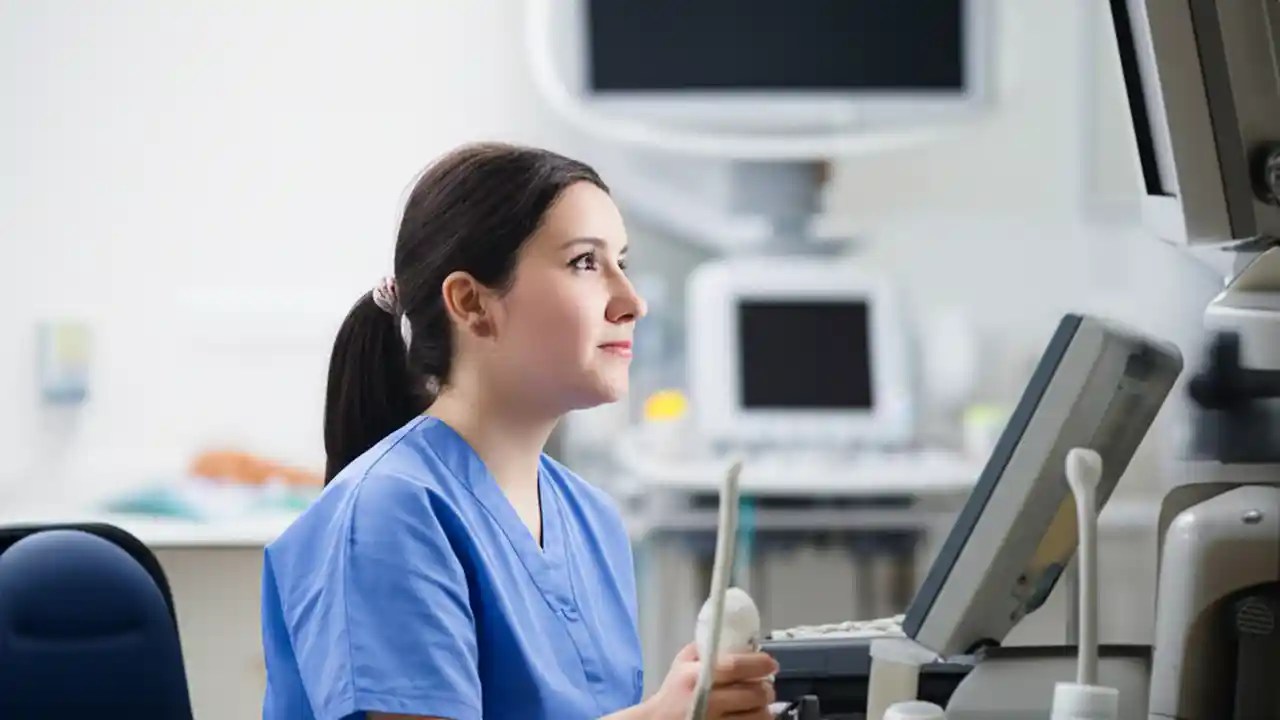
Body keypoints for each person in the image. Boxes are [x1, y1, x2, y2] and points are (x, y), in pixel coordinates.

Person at [260, 142, 778, 720]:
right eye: (585, 262)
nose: (632, 302)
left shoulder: (593, 520)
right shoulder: (385, 513)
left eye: (622, 264)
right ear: (472, 303)